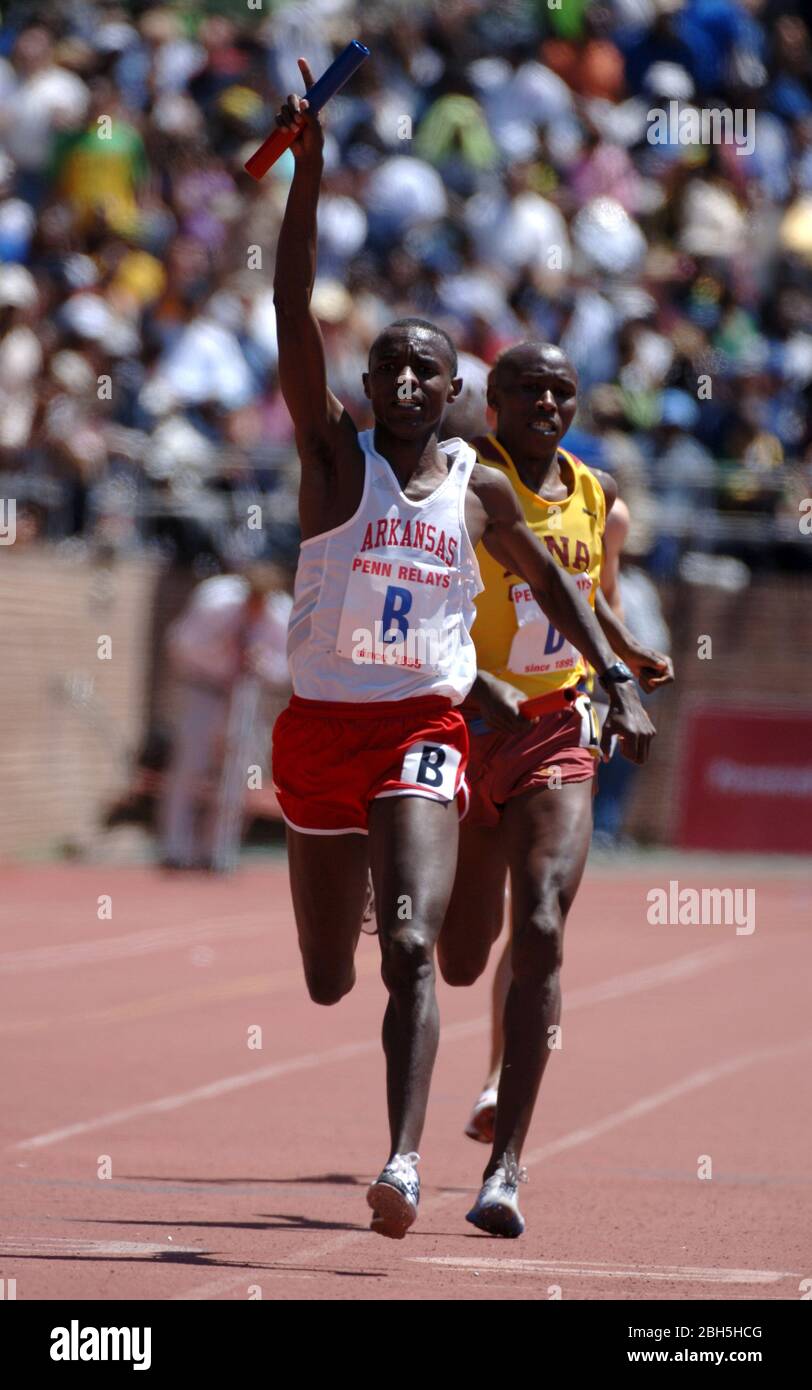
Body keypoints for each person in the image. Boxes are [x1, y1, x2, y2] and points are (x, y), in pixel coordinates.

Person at [269, 65, 654, 1240]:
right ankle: (363, 1004)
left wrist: (618, 675)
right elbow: (292, 312)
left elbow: (554, 579)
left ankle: (402, 1159)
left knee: (415, 945)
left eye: (422, 369)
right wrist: (309, 174)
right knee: (331, 971)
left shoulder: (479, 484)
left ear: (451, 393)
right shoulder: (336, 459)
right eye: (386, 364)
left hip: (424, 728)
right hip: (317, 732)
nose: (400, 380)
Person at [437, 342, 674, 1237]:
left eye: (562, 391)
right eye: (528, 388)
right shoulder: (466, 478)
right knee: (461, 956)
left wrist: (621, 661)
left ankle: (505, 1167)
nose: (547, 402)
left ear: (578, 404)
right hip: (465, 725)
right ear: (490, 401)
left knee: (541, 914)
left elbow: (584, 592)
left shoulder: (598, 490)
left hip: (553, 721)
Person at [160, 561, 292, 871]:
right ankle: (176, 848)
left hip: (246, 693)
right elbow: (180, 646)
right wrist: (219, 649)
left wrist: (262, 663)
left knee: (238, 774)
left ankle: (218, 851)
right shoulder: (215, 601)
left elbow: (285, 670)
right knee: (190, 767)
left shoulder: (280, 615)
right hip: (205, 689)